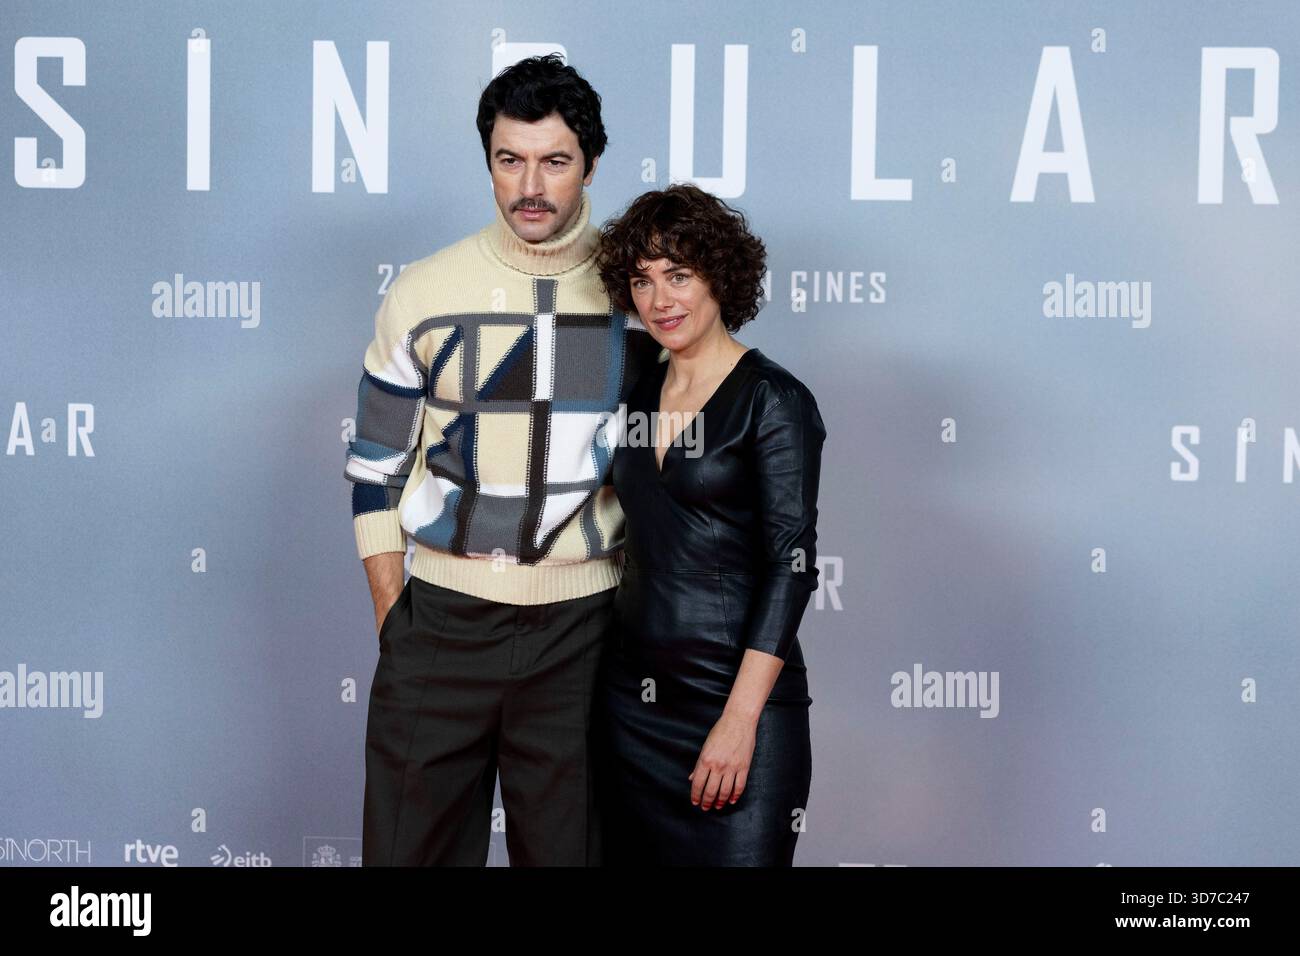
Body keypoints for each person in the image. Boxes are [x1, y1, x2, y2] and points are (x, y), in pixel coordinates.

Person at [345, 54, 660, 866]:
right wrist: (397, 617)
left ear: (591, 161)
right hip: (440, 627)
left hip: (581, 637)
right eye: (509, 160)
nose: (530, 185)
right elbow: (375, 465)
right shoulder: (422, 291)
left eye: (554, 162)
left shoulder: (640, 301)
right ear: (488, 160)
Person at [592, 183, 827, 866]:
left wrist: (739, 721)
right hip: (630, 710)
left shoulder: (773, 400)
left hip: (736, 707)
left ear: (720, 275)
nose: (660, 299)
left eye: (679, 275)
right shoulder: (632, 383)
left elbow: (793, 564)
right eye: (642, 279)